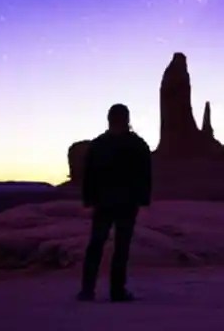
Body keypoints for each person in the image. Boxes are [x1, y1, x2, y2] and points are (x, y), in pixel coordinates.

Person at [78, 103, 152, 302]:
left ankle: (87, 290)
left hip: (104, 202)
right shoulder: (137, 144)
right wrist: (143, 198)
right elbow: (145, 174)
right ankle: (117, 291)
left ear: (109, 119)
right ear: (126, 119)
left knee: (97, 245)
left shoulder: (98, 145)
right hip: (126, 203)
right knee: (120, 247)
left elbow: (89, 175)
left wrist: (89, 199)